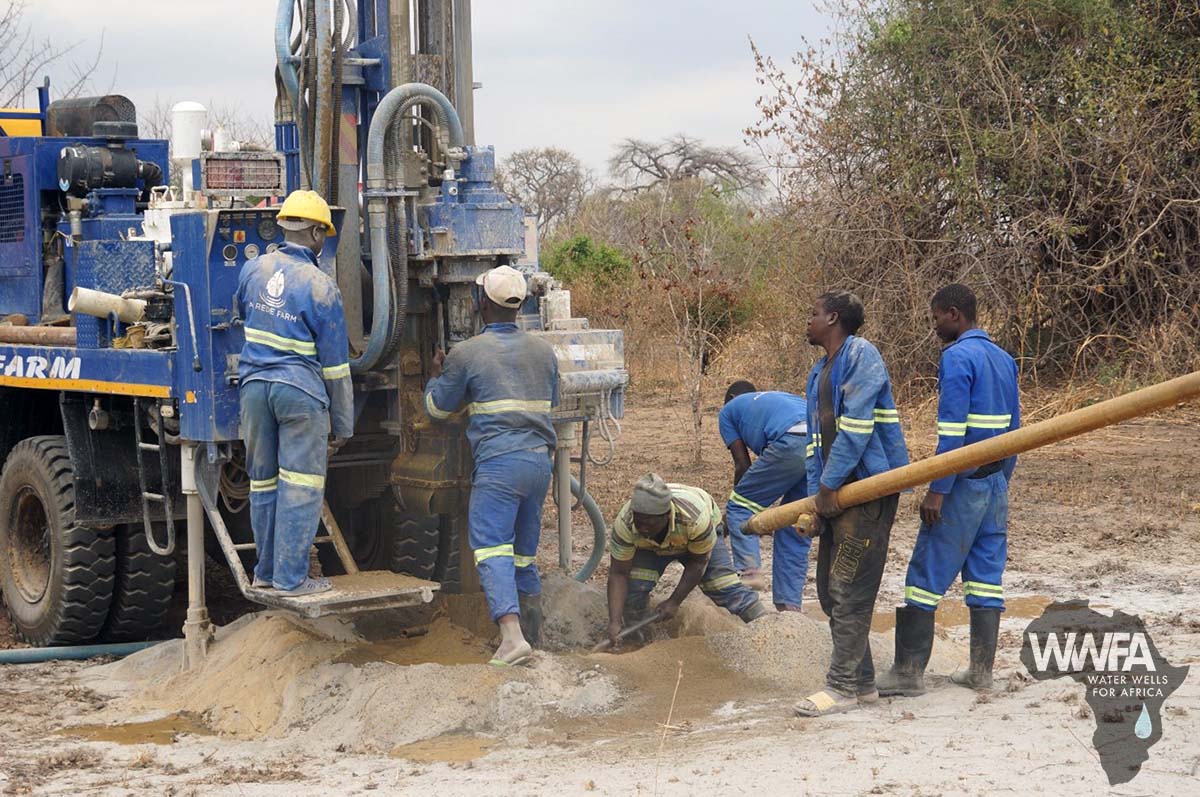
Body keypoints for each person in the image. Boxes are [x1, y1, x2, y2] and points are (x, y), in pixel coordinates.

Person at [877, 284, 1020, 696]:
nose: (934, 325)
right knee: (986, 578)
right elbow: (1015, 430)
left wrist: (938, 490)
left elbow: (953, 433)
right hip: (995, 485)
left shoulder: (957, 357)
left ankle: (908, 673)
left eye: (936, 317)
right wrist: (1001, 481)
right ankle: (981, 672)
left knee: (925, 575)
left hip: (962, 486)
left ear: (954, 314)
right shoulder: (1004, 359)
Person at [424, 265, 559, 667]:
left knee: (492, 548)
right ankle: (534, 637)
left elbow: (436, 410)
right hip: (540, 463)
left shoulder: (467, 353)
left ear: (481, 302)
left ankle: (512, 638)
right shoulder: (544, 352)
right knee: (522, 555)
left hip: (500, 465)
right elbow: (551, 402)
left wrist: (435, 377)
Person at [794, 290, 908, 717]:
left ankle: (841, 686)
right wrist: (817, 499)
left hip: (866, 490)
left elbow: (857, 428)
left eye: (813, 313)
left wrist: (830, 485)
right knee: (828, 592)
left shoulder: (862, 356)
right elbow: (815, 444)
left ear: (833, 318)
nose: (808, 321)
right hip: (836, 495)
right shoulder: (818, 372)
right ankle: (862, 684)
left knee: (849, 589)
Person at [237, 190, 352, 596]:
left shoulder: (252, 269)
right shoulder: (321, 286)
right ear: (317, 233)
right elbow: (335, 366)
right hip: (298, 393)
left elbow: (242, 315)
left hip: (254, 389)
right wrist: (343, 423)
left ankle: (266, 573)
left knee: (263, 484)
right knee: (300, 486)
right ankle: (291, 580)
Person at [606, 473, 767, 649]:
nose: (643, 528)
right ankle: (639, 642)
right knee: (634, 590)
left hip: (697, 536)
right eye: (639, 522)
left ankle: (769, 631)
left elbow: (698, 563)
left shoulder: (695, 518)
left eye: (649, 523)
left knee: (723, 586)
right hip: (650, 548)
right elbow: (618, 573)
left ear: (667, 515)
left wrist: (674, 601)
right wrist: (615, 621)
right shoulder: (626, 522)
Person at [719, 380, 812, 611]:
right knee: (793, 522)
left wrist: (733, 514)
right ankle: (789, 606)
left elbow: (742, 465)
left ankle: (749, 570)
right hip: (819, 445)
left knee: (740, 506)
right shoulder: (780, 397)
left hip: (790, 440)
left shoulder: (728, 411)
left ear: (731, 398)